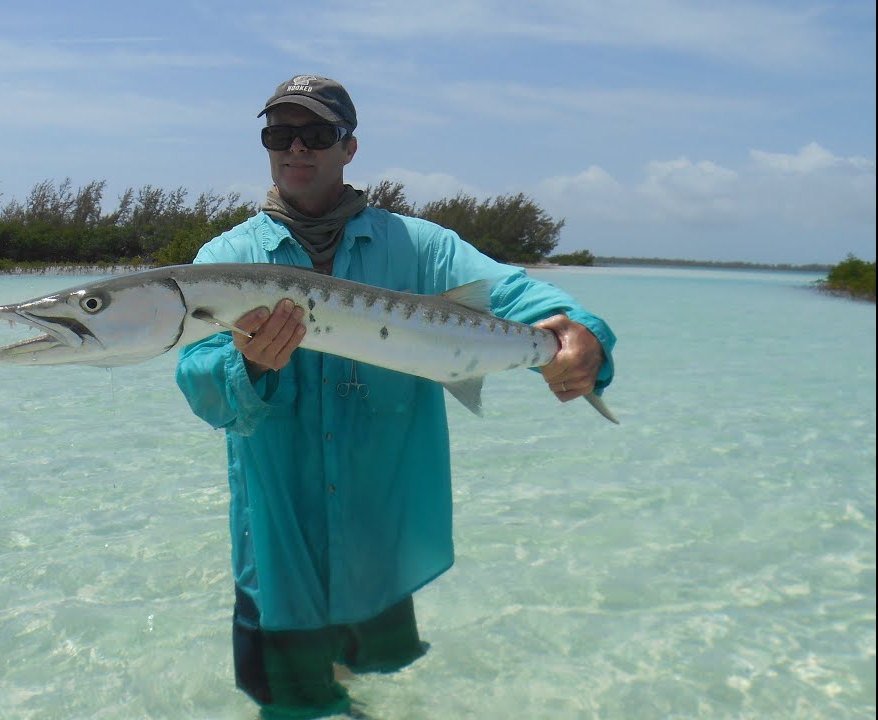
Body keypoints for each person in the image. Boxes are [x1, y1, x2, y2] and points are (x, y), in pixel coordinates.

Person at [174, 74, 617, 719]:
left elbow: (517, 295)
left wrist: (583, 336)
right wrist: (245, 365)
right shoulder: (228, 255)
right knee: (289, 705)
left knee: (375, 684)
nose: (296, 148)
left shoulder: (421, 248)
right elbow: (197, 380)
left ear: (349, 147)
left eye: (316, 133)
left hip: (377, 541)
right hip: (278, 541)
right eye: (280, 134)